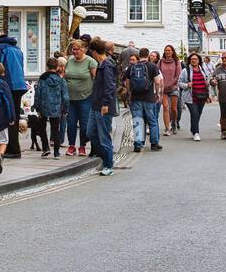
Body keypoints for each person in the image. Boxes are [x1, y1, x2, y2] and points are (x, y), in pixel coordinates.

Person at [88, 38, 118, 176]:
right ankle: (105, 158)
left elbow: (110, 86)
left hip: (103, 107)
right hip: (95, 105)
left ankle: (108, 165)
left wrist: (105, 103)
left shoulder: (107, 65)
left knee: (104, 136)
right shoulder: (102, 64)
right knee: (90, 132)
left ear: (94, 51)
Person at [125, 48, 163, 153]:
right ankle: (154, 143)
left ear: (139, 55)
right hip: (149, 98)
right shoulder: (152, 66)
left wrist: (129, 94)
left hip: (136, 98)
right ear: (147, 55)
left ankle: (138, 144)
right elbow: (157, 81)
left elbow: (127, 83)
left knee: (138, 121)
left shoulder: (131, 67)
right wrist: (158, 93)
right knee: (152, 121)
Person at [63, 39, 97, 157]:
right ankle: (71, 146)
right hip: (70, 99)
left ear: (83, 49)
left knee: (84, 124)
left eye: (77, 49)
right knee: (71, 124)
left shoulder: (90, 62)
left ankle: (82, 146)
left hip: (86, 98)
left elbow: (96, 79)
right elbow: (64, 76)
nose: (75, 51)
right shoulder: (70, 61)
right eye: (73, 49)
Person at [0, 34, 27, 158]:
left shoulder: (1, 48)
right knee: (14, 117)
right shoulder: (17, 49)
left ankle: (11, 149)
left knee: (8, 117)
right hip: (19, 85)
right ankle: (14, 147)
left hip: (8, 85)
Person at [34, 56, 69, 159]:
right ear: (57, 67)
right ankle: (56, 152)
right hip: (56, 107)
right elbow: (65, 97)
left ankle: (45, 148)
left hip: (44, 106)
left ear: (47, 66)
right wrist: (65, 109)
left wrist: (37, 107)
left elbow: (38, 94)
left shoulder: (42, 78)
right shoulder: (61, 80)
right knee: (55, 129)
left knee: (42, 127)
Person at [180, 52, 210, 140]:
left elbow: (207, 80)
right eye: (192, 59)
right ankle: (196, 133)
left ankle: (193, 129)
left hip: (202, 96)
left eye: (195, 59)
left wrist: (207, 84)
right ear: (189, 61)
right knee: (194, 113)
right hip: (190, 97)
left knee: (198, 114)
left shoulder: (203, 70)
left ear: (199, 61)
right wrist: (187, 85)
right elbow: (179, 83)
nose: (194, 60)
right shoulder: (185, 71)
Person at [157, 45, 181, 135]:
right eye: (166, 50)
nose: (167, 52)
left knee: (174, 108)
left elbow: (178, 74)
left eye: (169, 50)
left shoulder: (176, 61)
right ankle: (167, 128)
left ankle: (174, 123)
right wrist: (161, 85)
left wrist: (171, 83)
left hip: (173, 87)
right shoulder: (160, 62)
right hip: (163, 88)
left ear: (172, 51)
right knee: (166, 107)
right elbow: (157, 73)